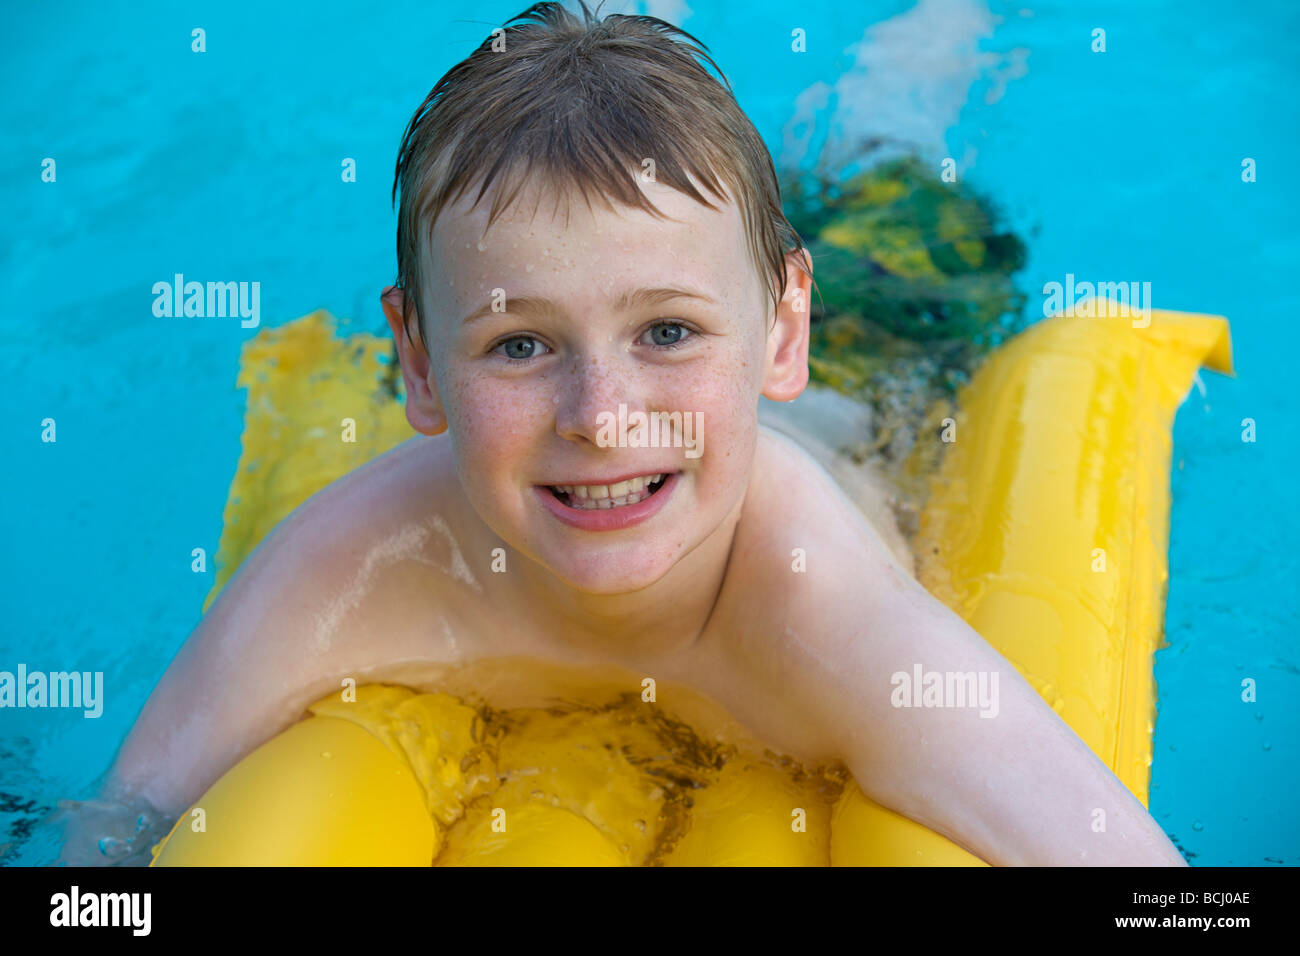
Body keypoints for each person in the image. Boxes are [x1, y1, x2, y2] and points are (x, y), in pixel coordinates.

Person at [100, 0, 1184, 866]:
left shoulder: (819, 610)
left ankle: (932, 35)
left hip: (877, 356)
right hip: (732, 276)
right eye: (520, 344)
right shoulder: (364, 566)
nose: (602, 418)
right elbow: (108, 835)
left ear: (778, 330)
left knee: (890, 153)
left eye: (665, 332)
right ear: (418, 362)